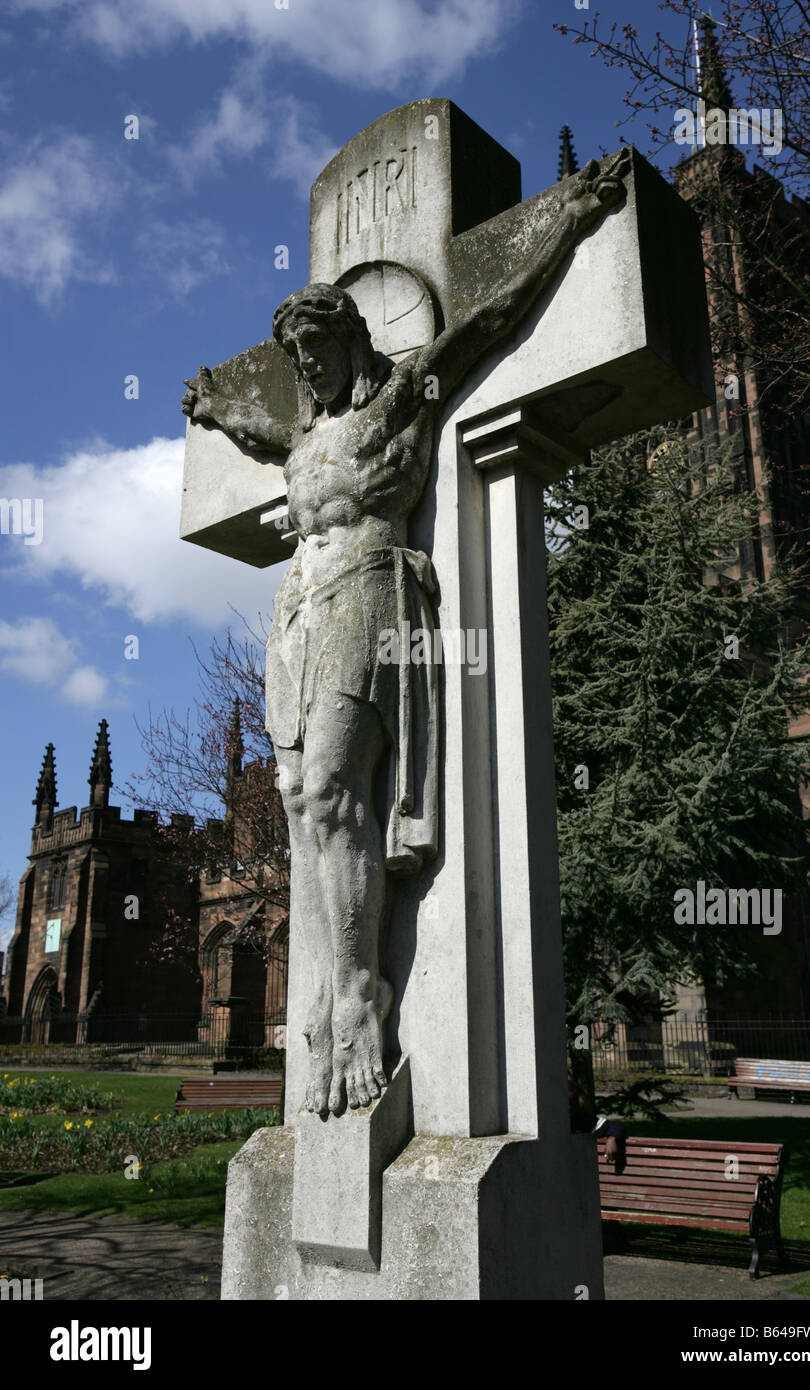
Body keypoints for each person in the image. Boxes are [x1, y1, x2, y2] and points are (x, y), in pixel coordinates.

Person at [182, 152, 631, 1115]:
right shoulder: (304, 440)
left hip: (369, 591)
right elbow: (257, 431)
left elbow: (492, 317)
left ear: (350, 338)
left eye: (316, 349)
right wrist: (214, 409)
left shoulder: (405, 393)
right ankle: (338, 982)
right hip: (298, 610)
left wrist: (568, 219)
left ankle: (357, 999)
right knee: (297, 796)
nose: (306, 369)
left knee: (334, 787)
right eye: (295, 358)